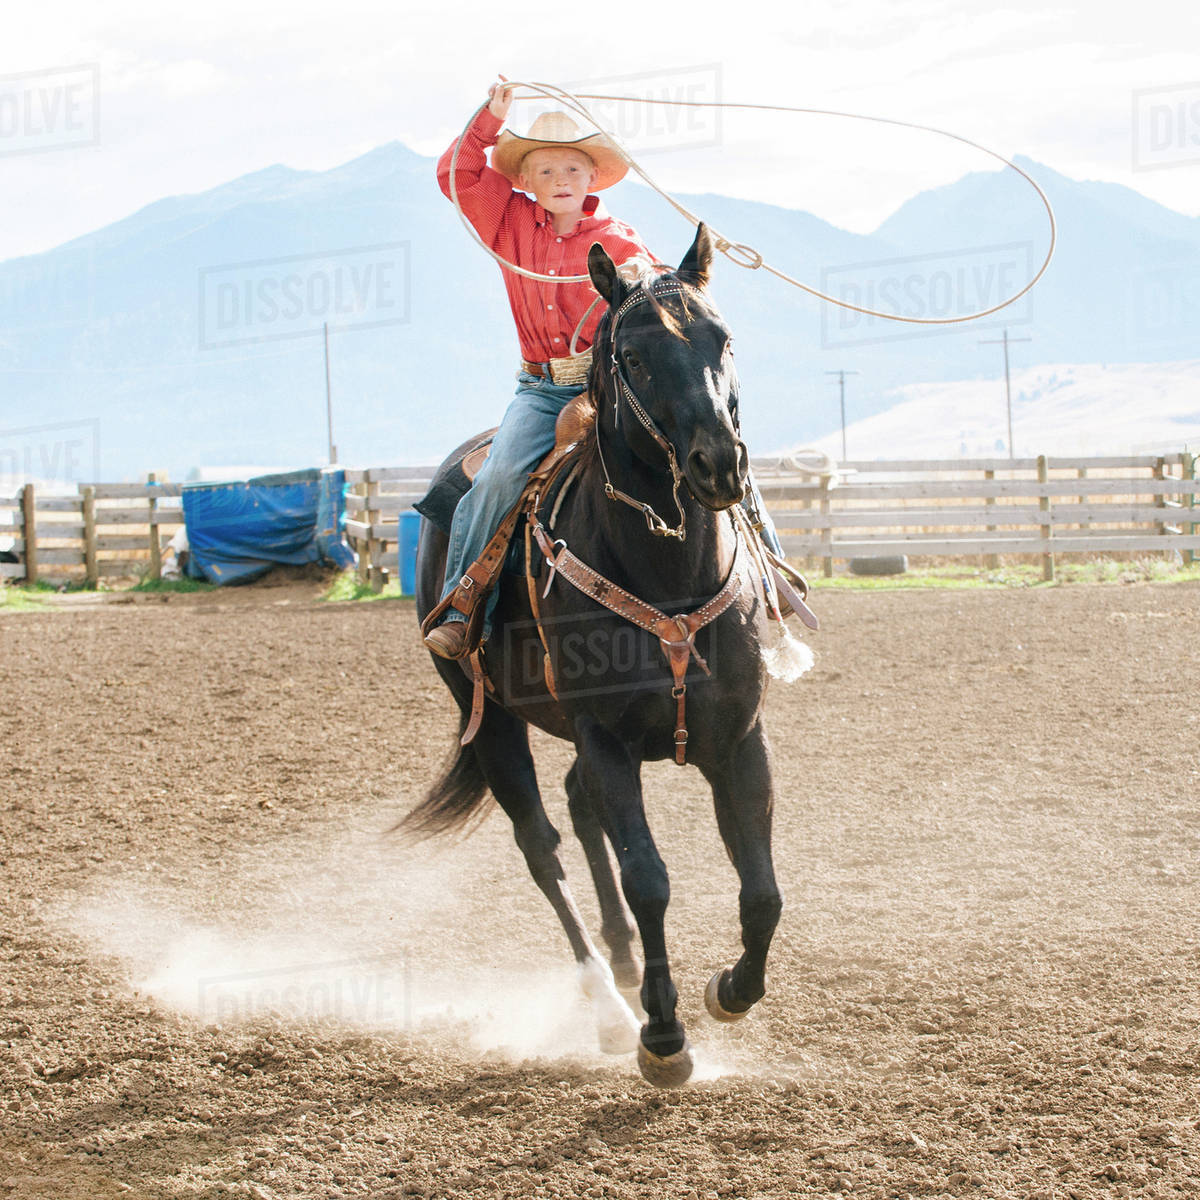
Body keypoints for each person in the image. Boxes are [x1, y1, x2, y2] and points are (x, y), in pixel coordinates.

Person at [425, 79, 786, 660]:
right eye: (544, 172)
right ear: (525, 182)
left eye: (572, 168)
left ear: (592, 177)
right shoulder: (507, 224)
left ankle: (770, 567)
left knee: (712, 442)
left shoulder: (620, 243)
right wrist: (489, 118)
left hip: (611, 386)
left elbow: (658, 300)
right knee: (495, 480)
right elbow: (457, 176)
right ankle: (465, 603)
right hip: (542, 389)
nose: (560, 181)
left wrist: (675, 279)